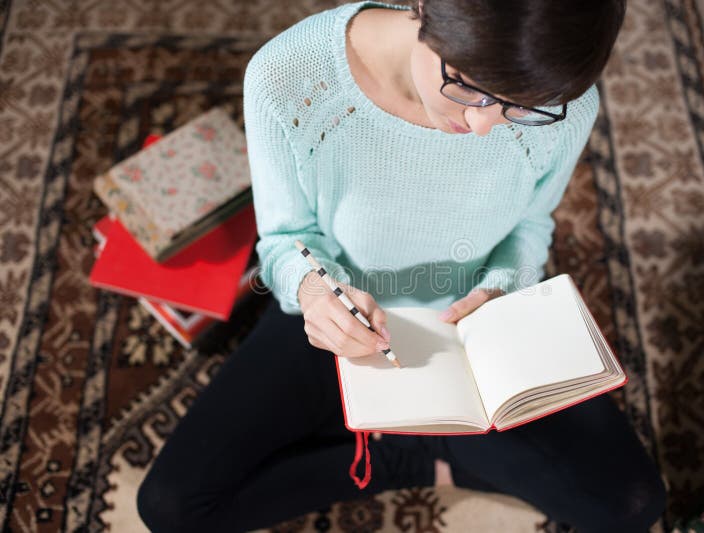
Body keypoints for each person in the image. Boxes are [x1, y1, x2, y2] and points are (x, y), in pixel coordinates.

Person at [137, 0, 667, 531]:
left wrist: (501, 288)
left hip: (475, 333)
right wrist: (316, 294)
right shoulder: (287, 75)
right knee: (171, 507)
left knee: (635, 506)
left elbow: (531, 225)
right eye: (469, 86)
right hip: (346, 323)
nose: (483, 125)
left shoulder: (566, 105)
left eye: (521, 106)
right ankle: (413, 454)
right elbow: (283, 241)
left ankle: (410, 438)